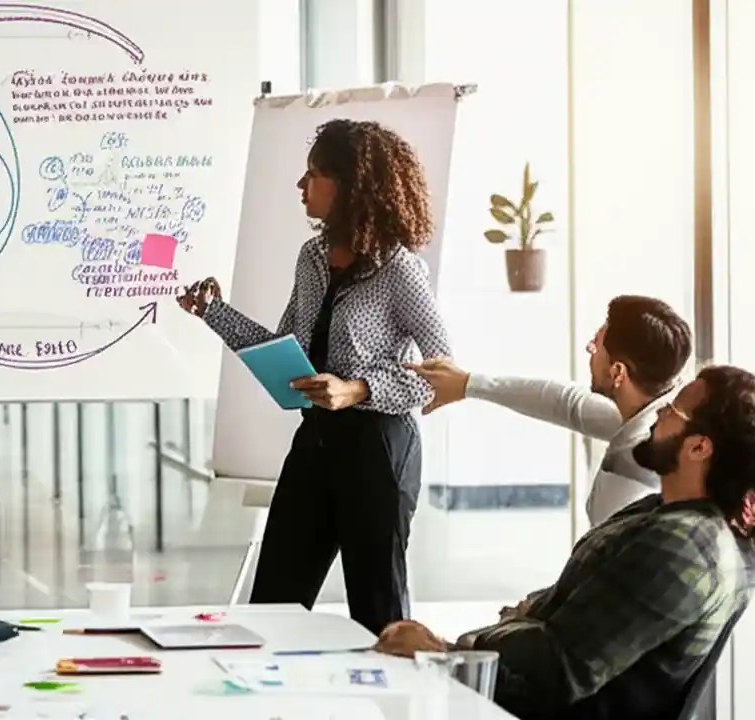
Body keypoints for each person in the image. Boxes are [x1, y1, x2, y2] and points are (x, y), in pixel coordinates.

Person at [179, 119, 451, 634]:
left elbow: (440, 374)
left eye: (313, 175)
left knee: (378, 613)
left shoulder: (399, 269)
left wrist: (357, 389)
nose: (301, 187)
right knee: (273, 606)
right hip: (317, 443)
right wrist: (214, 312)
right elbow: (286, 346)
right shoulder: (311, 258)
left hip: (380, 449)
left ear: (349, 183)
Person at [375, 365, 755, 720]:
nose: (658, 413)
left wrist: (442, 655)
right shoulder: (664, 512)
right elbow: (574, 606)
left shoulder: (687, 544)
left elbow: (557, 672)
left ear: (699, 448)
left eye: (672, 408)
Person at [408, 295, 692, 525]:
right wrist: (469, 384)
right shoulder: (654, 412)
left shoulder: (633, 466)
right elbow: (566, 403)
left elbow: (604, 565)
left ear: (618, 372)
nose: (588, 348)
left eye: (596, 346)